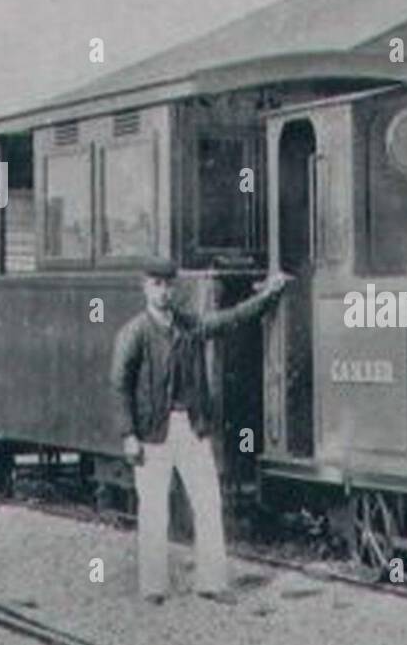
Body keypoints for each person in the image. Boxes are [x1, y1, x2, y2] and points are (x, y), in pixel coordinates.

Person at [110, 258, 289, 603]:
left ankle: (211, 583)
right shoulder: (134, 333)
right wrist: (128, 435)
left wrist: (269, 295)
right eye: (156, 285)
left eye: (168, 285)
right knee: (153, 510)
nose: (163, 292)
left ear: (175, 288)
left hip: (191, 427)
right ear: (145, 288)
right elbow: (119, 385)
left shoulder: (189, 326)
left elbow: (229, 319)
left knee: (208, 503)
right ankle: (153, 586)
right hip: (152, 433)